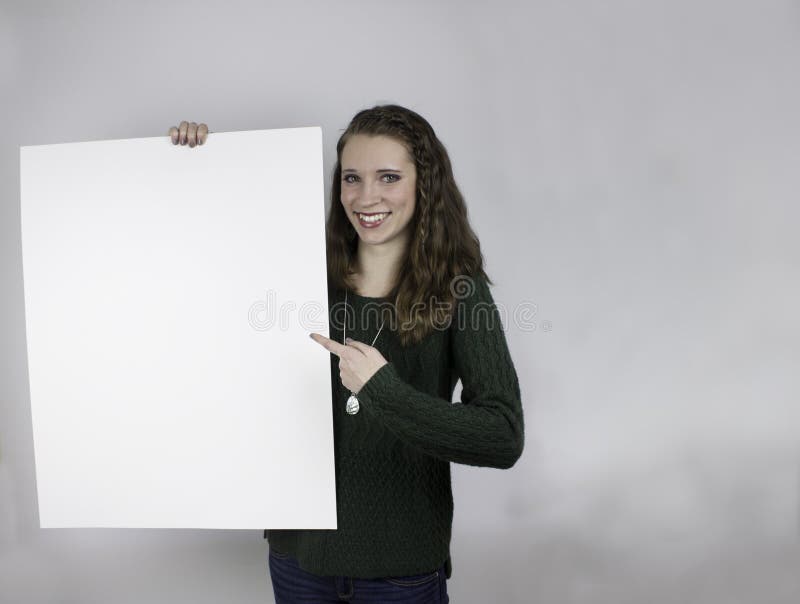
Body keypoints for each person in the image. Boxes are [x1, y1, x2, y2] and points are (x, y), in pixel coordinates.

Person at [169, 105, 524, 603]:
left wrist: (384, 392)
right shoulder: (298, 272)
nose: (366, 196)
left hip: (401, 570)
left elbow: (503, 435)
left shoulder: (458, 293)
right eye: (352, 177)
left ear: (425, 185)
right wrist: (192, 163)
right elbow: (200, 261)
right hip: (299, 560)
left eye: (389, 177)